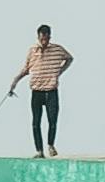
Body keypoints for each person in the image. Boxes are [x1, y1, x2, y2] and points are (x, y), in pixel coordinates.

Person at [8, 24, 74, 158]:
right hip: (36, 91)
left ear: (49, 37)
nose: (44, 41)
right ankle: (39, 150)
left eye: (46, 38)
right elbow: (26, 68)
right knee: (36, 122)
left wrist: (60, 71)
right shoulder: (33, 50)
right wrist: (15, 81)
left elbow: (69, 58)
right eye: (42, 38)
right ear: (38, 37)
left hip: (51, 90)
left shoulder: (57, 49)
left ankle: (50, 145)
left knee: (52, 120)